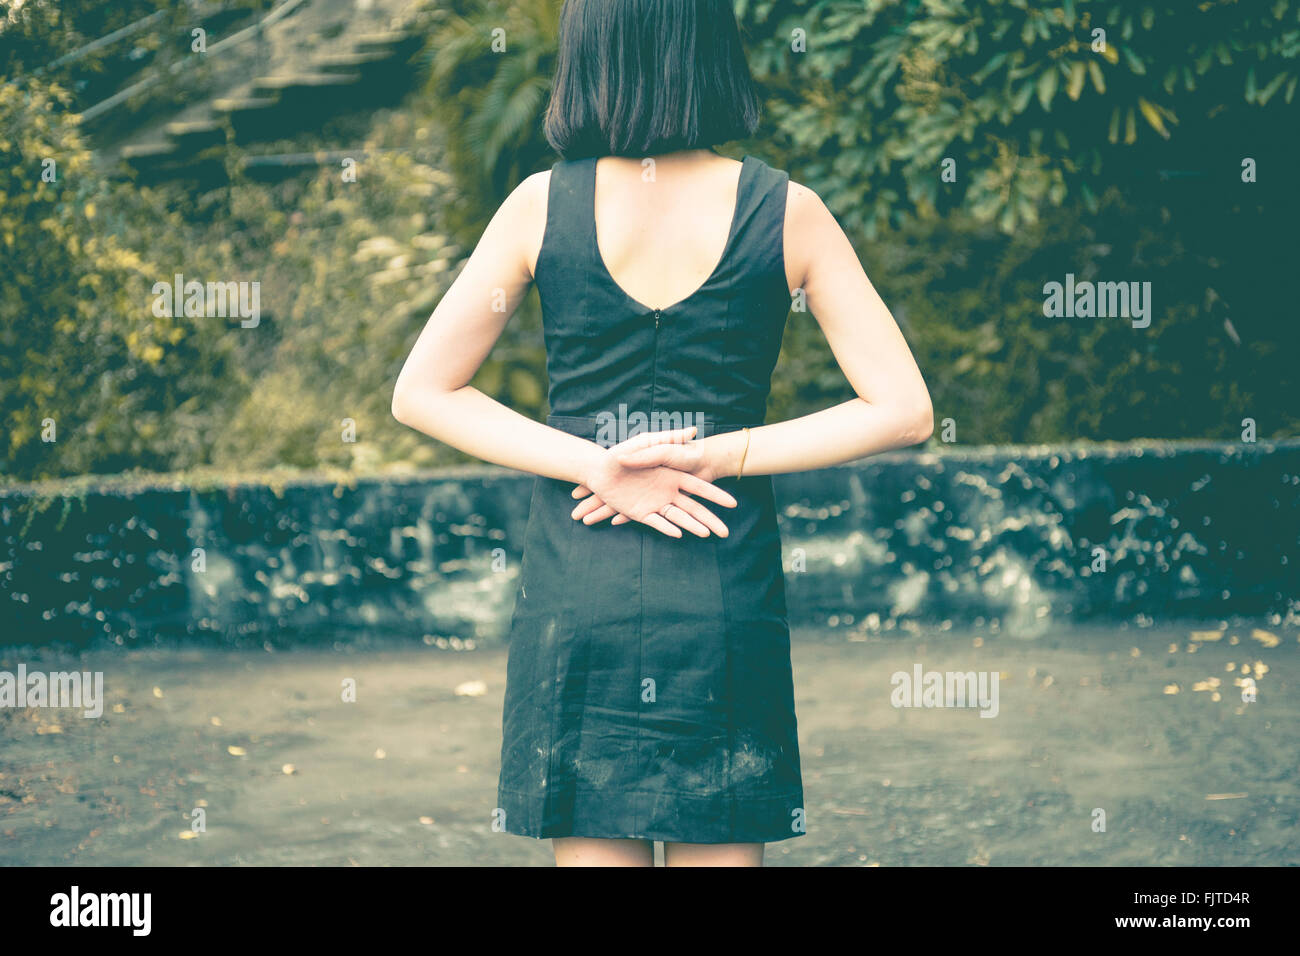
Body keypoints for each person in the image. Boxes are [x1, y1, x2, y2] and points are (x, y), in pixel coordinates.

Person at [391, 0, 933, 867]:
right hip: (722, 588)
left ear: (589, 52)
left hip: (582, 591)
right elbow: (905, 411)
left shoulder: (539, 206)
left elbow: (423, 392)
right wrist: (727, 452)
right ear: (711, 49)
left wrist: (597, 466)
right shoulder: (787, 210)